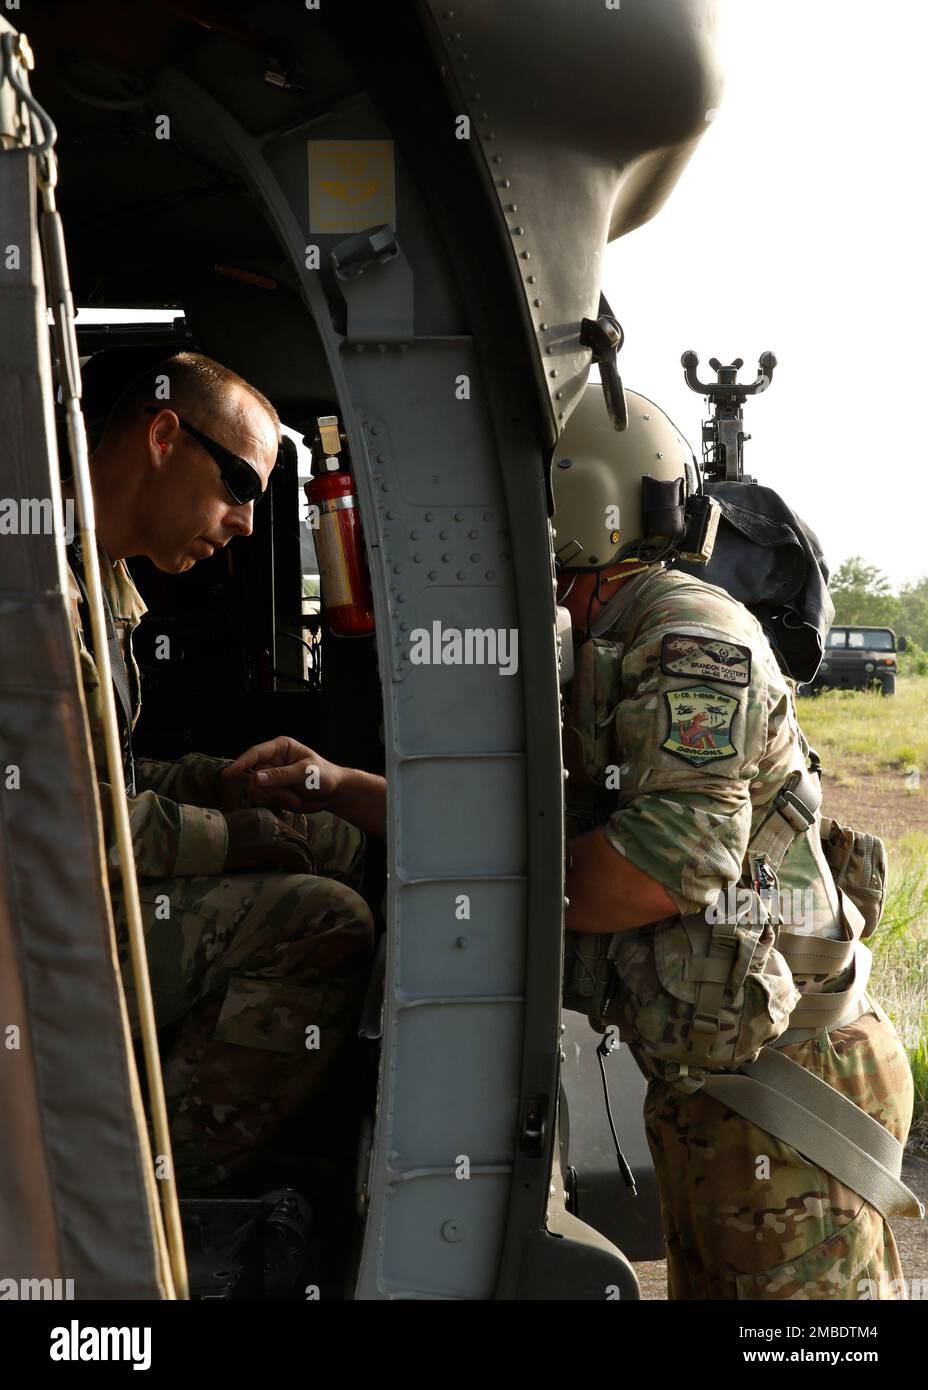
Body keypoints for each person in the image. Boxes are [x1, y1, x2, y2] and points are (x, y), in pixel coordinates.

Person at [553, 383, 919, 1300]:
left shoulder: (686, 636)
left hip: (789, 1086)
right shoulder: (622, 630)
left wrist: (481, 890)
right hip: (724, 1085)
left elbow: (664, 865)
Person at [66, 351, 379, 1195]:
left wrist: (219, 785)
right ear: (164, 434)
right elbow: (42, 817)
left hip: (66, 894)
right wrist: (226, 839)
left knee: (336, 836)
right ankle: (135, 1196)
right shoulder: (30, 585)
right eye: (241, 484)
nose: (246, 522)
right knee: (324, 921)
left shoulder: (102, 584)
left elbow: (99, 773)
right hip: (38, 930)